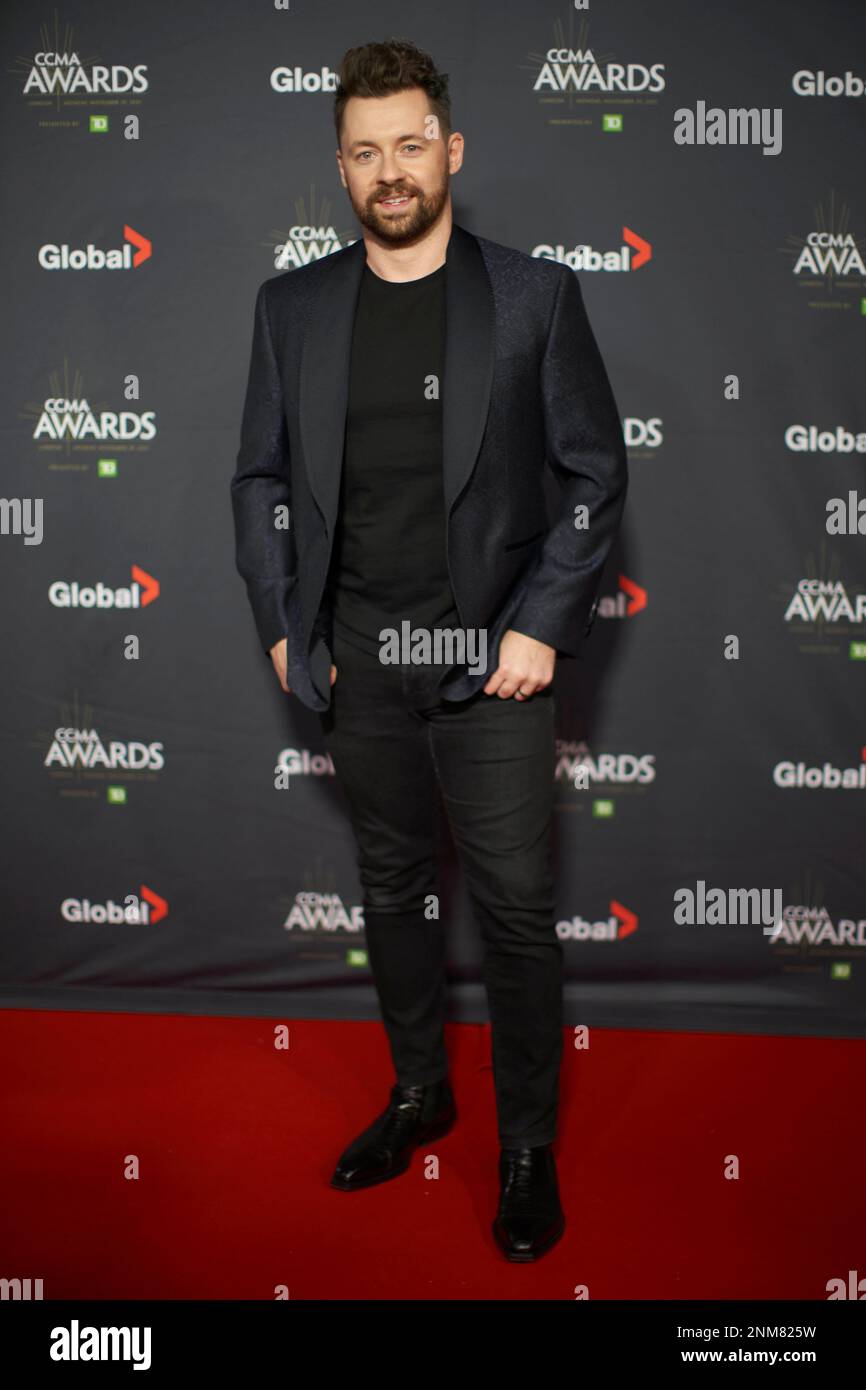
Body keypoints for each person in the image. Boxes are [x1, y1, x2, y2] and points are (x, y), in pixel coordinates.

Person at [231, 37, 628, 1262]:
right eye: (364, 152)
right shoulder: (290, 306)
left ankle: (523, 1144)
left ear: (449, 151)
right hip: (357, 661)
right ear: (340, 170)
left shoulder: (532, 297)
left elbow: (592, 476)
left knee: (512, 910)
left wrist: (538, 626)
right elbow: (257, 479)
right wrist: (284, 623)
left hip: (488, 662)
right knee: (393, 892)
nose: (388, 170)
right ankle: (419, 1092)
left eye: (410, 145)